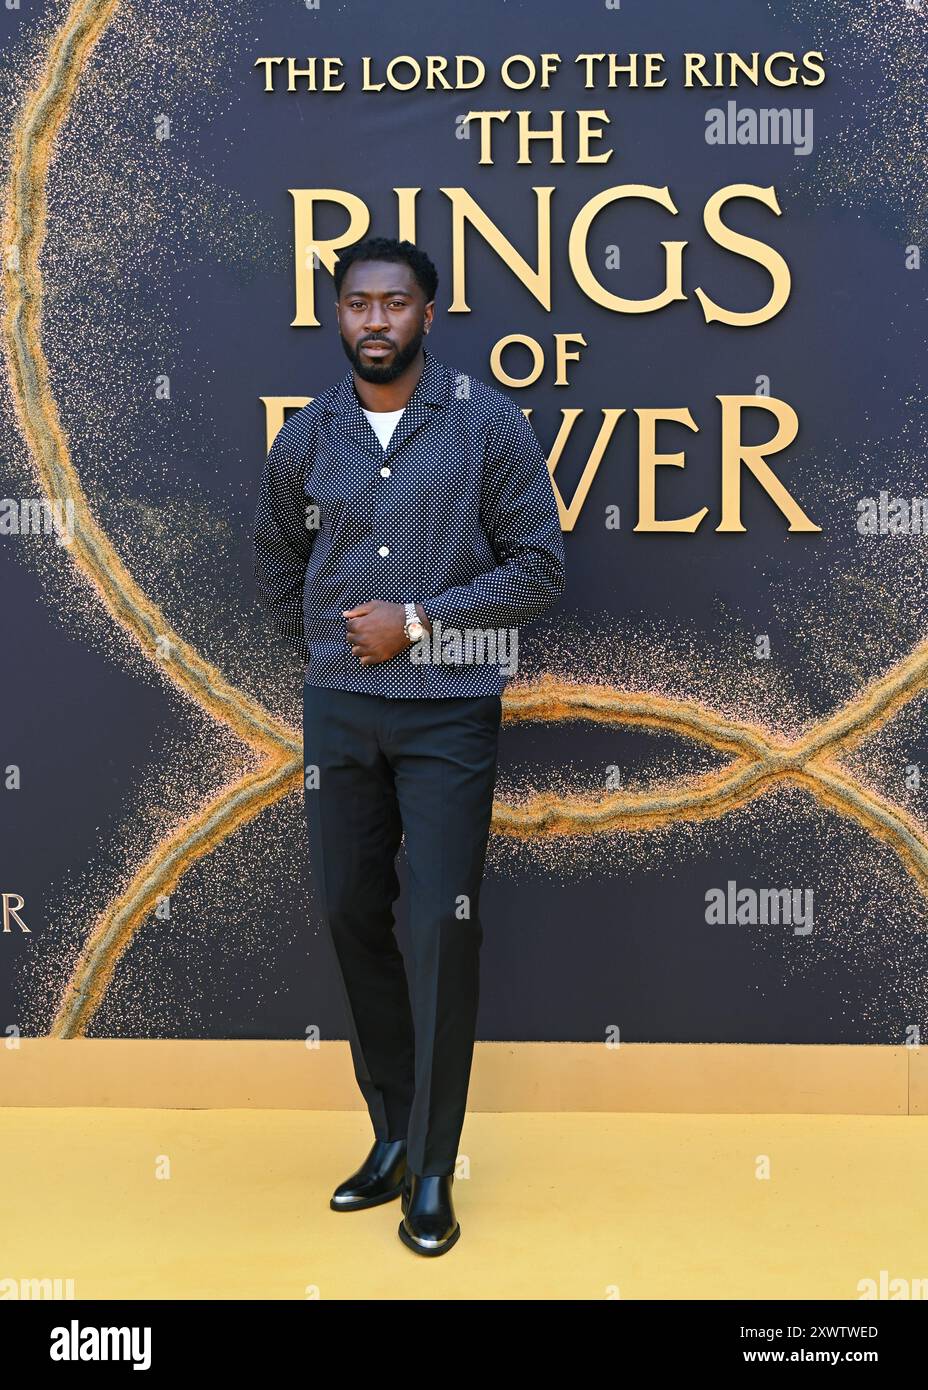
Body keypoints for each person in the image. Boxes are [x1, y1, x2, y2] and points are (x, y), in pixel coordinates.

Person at [253, 235, 565, 1256]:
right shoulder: (307, 438)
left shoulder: (488, 427)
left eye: (395, 302)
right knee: (349, 909)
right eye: (357, 303)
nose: (375, 319)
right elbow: (279, 561)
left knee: (439, 927)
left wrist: (419, 620)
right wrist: (328, 650)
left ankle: (432, 1170)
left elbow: (538, 569)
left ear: (428, 314)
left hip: (447, 714)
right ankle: (389, 1132)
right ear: (336, 317)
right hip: (341, 712)